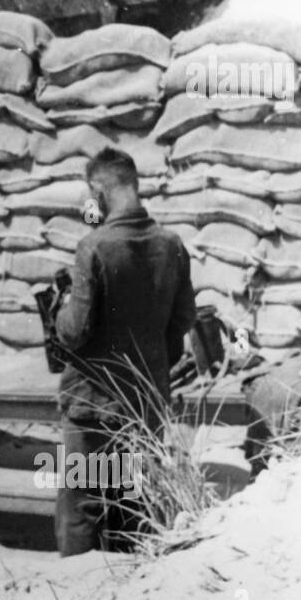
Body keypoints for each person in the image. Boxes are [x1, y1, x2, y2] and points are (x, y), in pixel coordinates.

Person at [53, 147, 197, 556]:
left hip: (93, 405)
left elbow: (74, 333)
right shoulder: (172, 244)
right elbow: (183, 318)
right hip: (145, 405)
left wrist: (62, 306)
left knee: (82, 505)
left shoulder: (93, 247)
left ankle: (78, 596)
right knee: (130, 503)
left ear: (98, 190)